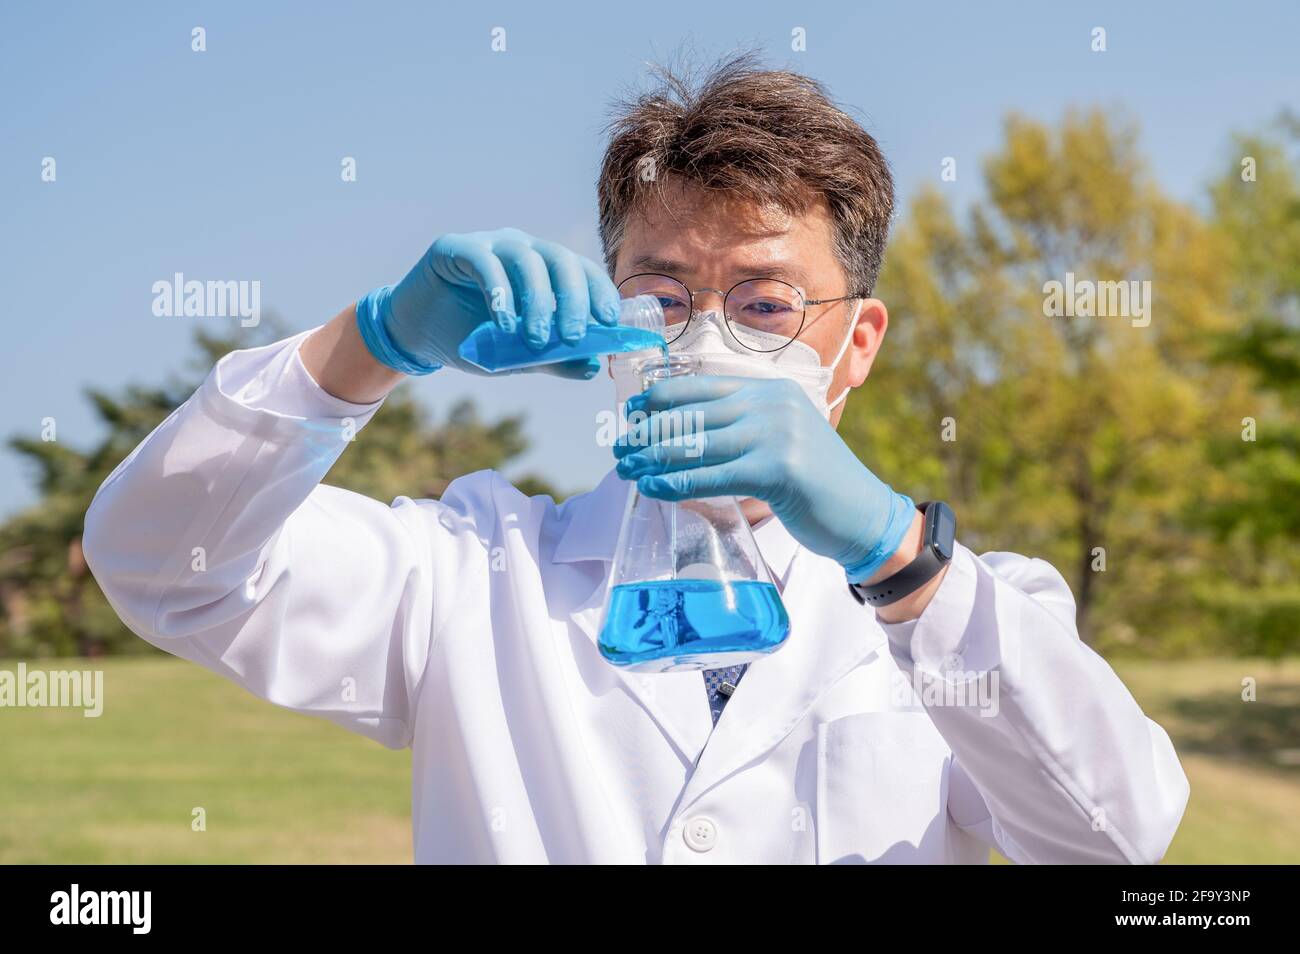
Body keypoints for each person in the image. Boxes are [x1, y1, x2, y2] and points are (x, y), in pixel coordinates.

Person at [83, 55, 1188, 864]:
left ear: (856, 345)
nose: (704, 342)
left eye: (765, 302)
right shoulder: (475, 572)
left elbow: (1116, 838)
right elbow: (160, 564)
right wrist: (368, 345)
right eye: (659, 298)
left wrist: (897, 557)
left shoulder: (979, 609)